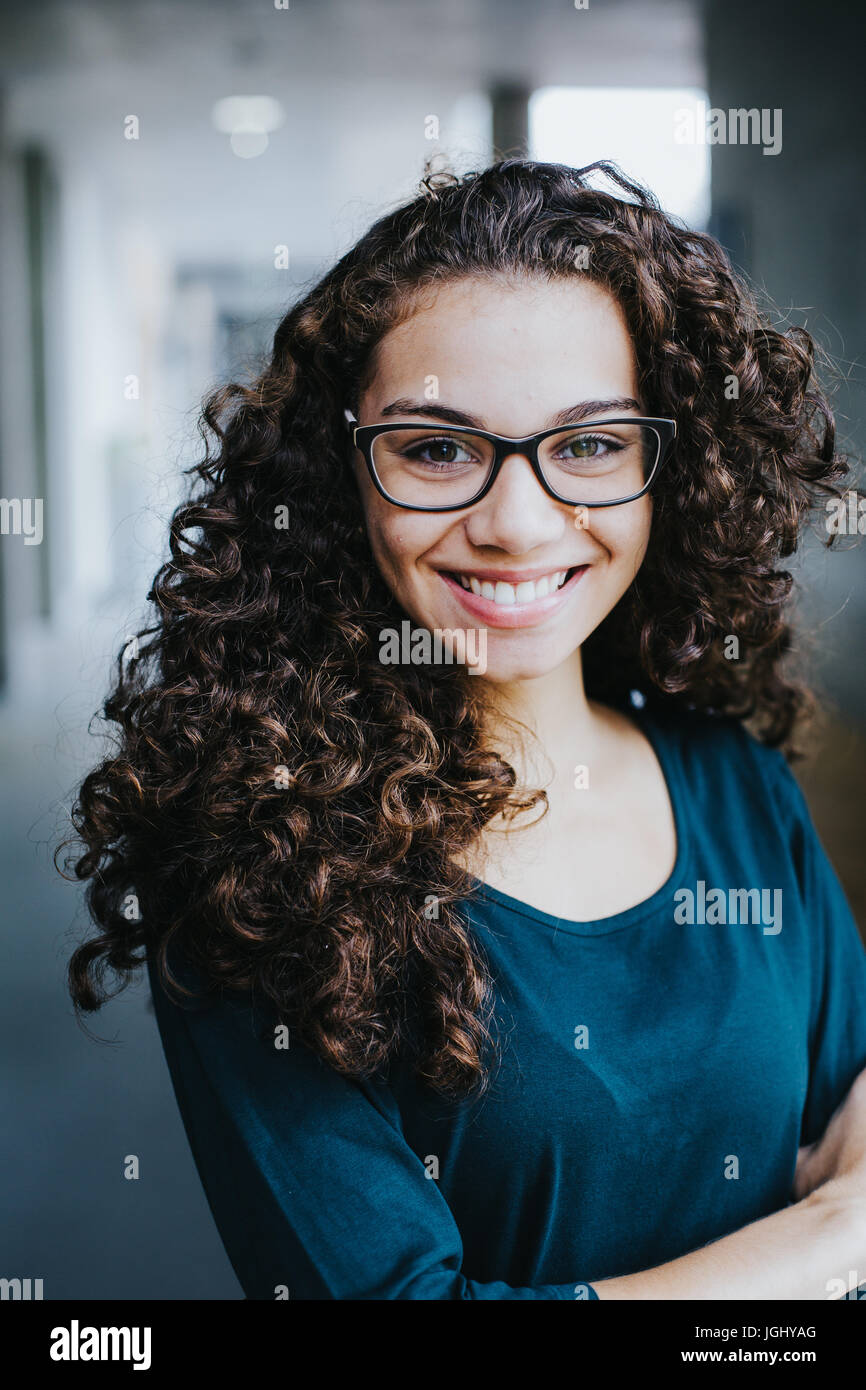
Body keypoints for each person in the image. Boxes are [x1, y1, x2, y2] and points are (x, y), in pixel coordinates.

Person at [63, 159, 866, 1299]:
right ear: (344, 473)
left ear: (663, 469)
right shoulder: (260, 870)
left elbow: (850, 1098)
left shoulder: (737, 788)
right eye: (436, 448)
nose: (515, 522)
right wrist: (825, 1240)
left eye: (587, 444)